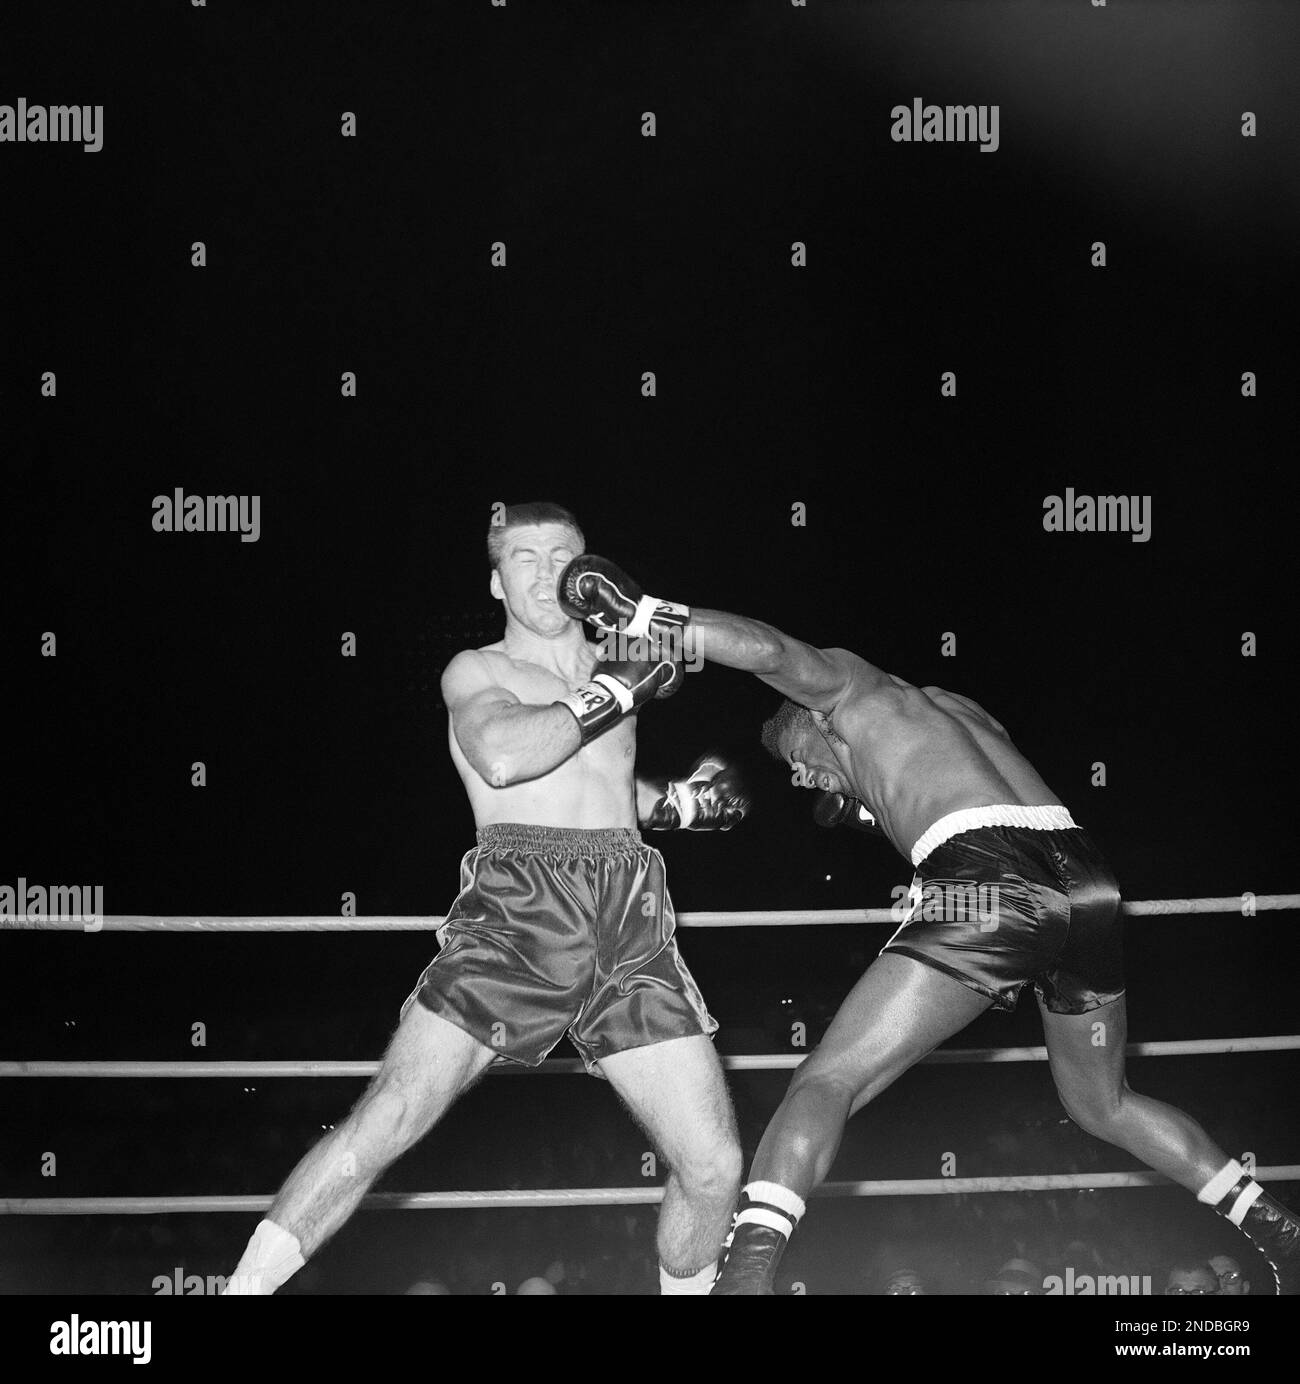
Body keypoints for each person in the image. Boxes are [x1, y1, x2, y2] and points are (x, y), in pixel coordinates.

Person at [557, 555, 1300, 1296]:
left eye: (798, 759)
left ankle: (743, 1283)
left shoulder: (846, 688)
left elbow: (770, 652)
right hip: (1087, 880)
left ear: (818, 719)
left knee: (827, 1079)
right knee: (1101, 1103)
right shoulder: (954, 710)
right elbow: (970, 802)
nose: (804, 779)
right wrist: (884, 823)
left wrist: (643, 613)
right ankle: (1281, 1237)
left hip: (990, 877)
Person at [222, 505, 746, 1296]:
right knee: (391, 1115)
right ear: (496, 581)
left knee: (714, 1165)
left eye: (563, 555)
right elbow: (504, 758)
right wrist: (621, 686)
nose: (546, 572)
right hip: (520, 907)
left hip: (628, 904)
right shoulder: (478, 670)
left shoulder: (618, 657)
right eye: (524, 557)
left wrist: (679, 802)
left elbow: (598, 778)